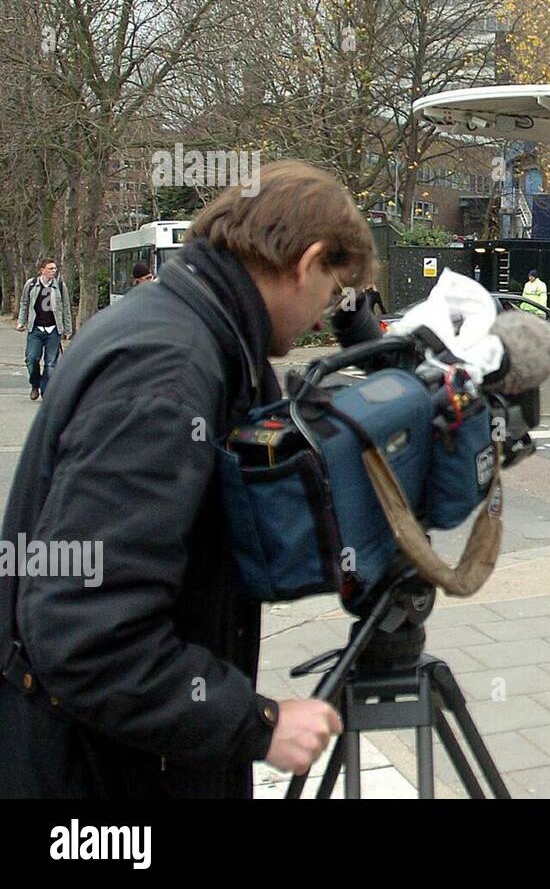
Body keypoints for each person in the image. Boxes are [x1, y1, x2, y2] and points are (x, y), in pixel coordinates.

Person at [0, 160, 375, 799]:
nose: (322, 320)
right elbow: (85, 631)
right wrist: (258, 725)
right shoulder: (169, 372)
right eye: (331, 292)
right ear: (308, 262)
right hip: (97, 778)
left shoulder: (188, 327)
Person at [15, 258, 71, 401]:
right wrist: (21, 321)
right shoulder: (32, 284)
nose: (54, 271)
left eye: (54, 269)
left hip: (53, 330)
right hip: (36, 329)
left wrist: (67, 328)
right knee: (32, 359)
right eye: (51, 268)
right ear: (42, 270)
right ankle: (35, 384)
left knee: (51, 363)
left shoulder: (59, 285)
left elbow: (65, 307)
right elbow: (24, 303)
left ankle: (46, 392)